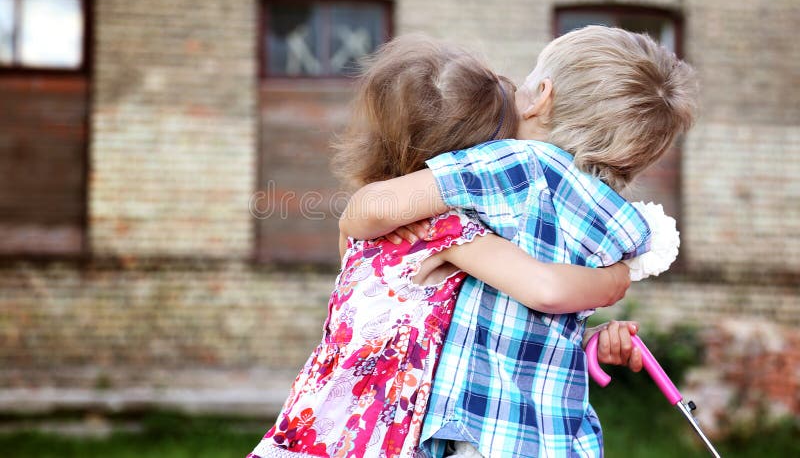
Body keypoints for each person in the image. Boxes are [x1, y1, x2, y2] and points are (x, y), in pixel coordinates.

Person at [248, 34, 643, 458]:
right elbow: (545, 289)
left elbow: (472, 325)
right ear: (470, 158)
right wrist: (616, 278)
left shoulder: (364, 241)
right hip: (378, 439)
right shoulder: (451, 232)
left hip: (317, 426)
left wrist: (583, 341)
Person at [341, 26, 698, 457]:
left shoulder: (514, 165)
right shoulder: (609, 220)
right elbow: (529, 327)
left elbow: (369, 210)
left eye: (527, 82)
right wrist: (591, 336)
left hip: (480, 432)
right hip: (556, 438)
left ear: (541, 96)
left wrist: (431, 233)